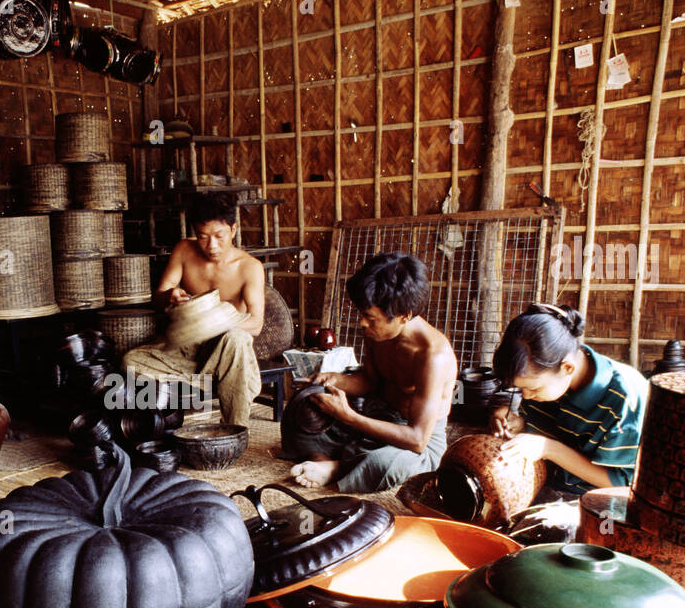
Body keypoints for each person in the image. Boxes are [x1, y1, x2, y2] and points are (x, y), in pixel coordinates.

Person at [285, 252, 457, 492]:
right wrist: (334, 380)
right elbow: (370, 381)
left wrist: (348, 416)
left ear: (404, 316)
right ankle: (339, 461)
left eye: (370, 317)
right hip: (377, 417)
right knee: (300, 416)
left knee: (386, 463)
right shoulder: (379, 333)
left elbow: (417, 440)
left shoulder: (433, 355)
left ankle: (336, 468)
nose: (362, 323)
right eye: (362, 314)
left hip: (412, 441)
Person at [122, 193, 265, 427]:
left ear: (234, 229)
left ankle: (236, 428)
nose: (212, 246)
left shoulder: (250, 268)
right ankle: (210, 380)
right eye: (203, 236)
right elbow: (159, 298)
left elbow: (256, 324)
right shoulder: (184, 250)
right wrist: (170, 296)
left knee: (238, 338)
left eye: (219, 236)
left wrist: (215, 322)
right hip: (187, 349)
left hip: (226, 347)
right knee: (130, 361)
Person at [490, 303, 649, 497]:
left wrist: (548, 449)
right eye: (520, 388)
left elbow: (623, 484)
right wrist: (519, 424)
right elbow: (540, 432)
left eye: (532, 388)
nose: (526, 396)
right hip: (546, 485)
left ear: (567, 368)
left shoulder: (625, 398)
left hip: (598, 503)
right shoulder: (548, 380)